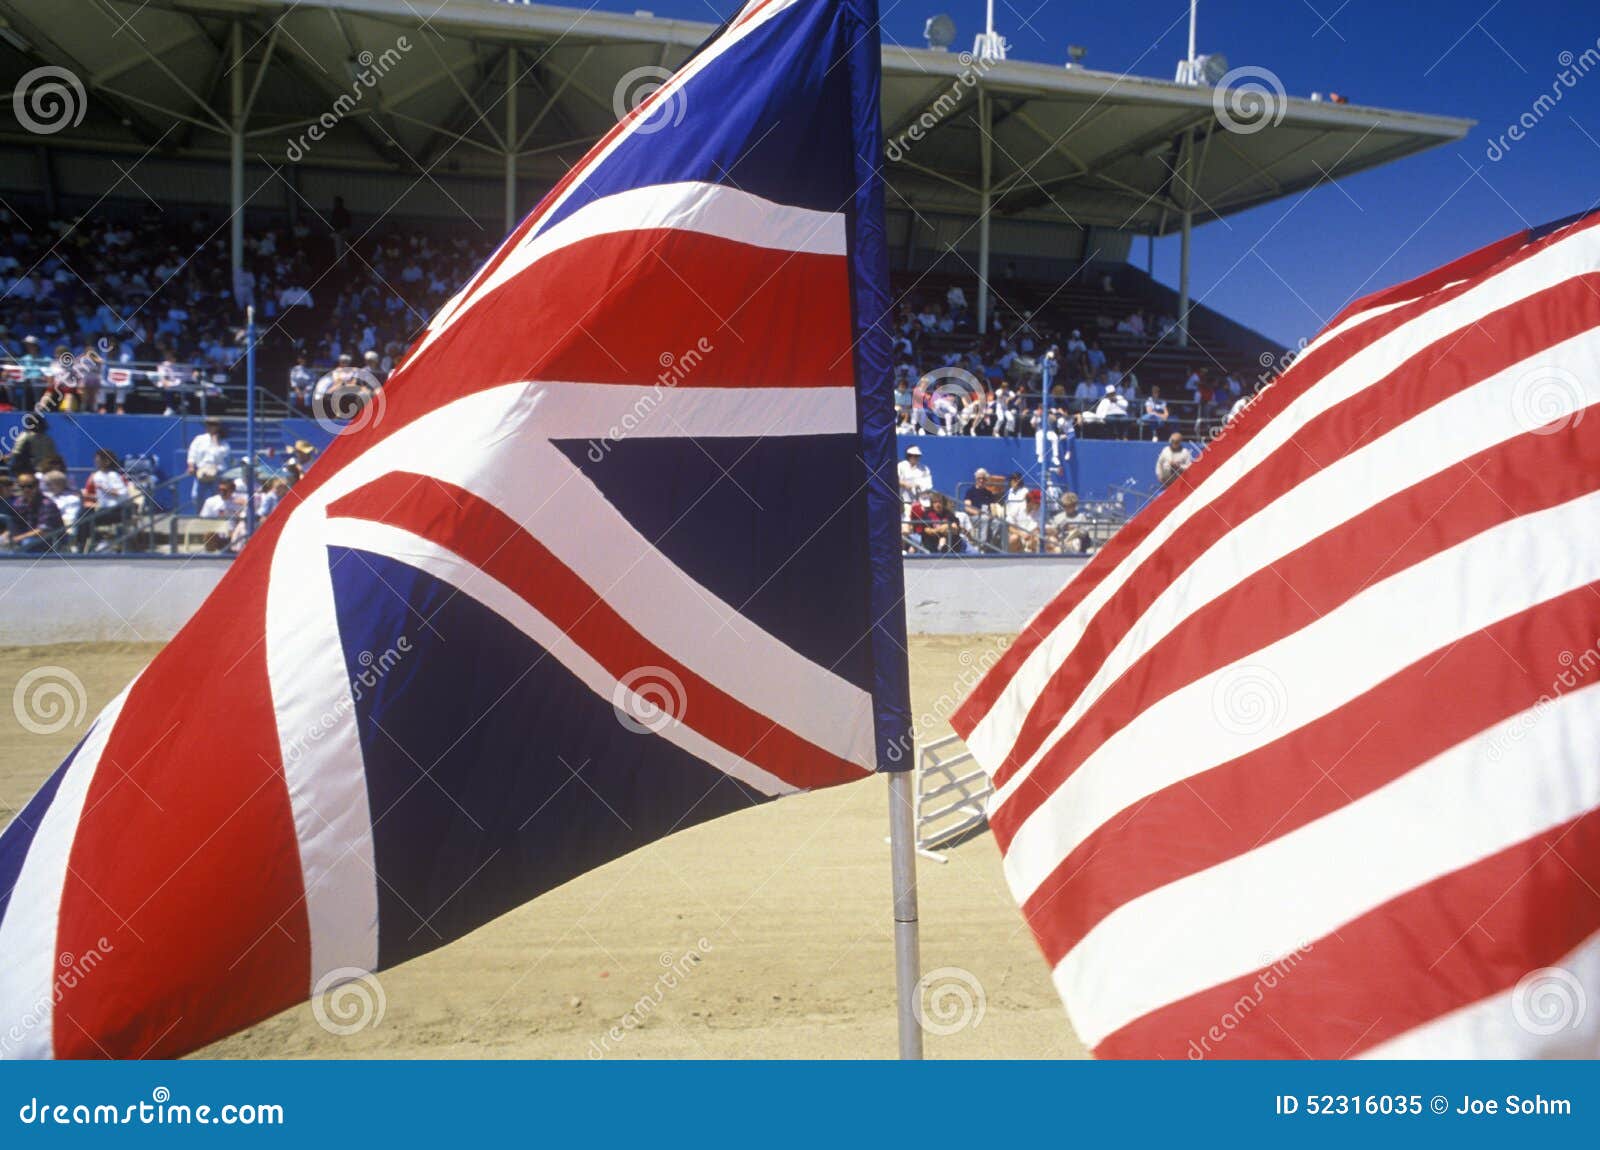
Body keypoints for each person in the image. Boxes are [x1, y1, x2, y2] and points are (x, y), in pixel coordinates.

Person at [3, 472, 63, 553]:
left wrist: (17, 539)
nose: (26, 489)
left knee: (27, 543)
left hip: (49, 540)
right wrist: (6, 537)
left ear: (37, 486)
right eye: (22, 486)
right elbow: (15, 525)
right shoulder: (18, 503)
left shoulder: (47, 504)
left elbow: (43, 531)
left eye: (30, 486)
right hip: (24, 537)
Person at [187, 418, 231, 510]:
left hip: (217, 472)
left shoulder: (224, 443)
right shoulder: (199, 439)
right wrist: (191, 466)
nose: (210, 427)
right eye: (208, 424)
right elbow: (192, 452)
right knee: (196, 496)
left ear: (218, 427)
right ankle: (200, 514)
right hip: (201, 471)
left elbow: (221, 456)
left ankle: (215, 516)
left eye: (213, 425)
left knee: (217, 496)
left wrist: (216, 442)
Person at [963, 468, 1004, 552]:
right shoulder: (970, 491)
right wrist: (979, 513)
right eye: (979, 478)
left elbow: (993, 507)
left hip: (987, 516)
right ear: (976, 479)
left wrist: (994, 514)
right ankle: (982, 545)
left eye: (983, 479)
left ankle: (990, 545)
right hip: (974, 517)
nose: (981, 480)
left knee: (998, 522)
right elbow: (967, 508)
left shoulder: (988, 493)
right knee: (984, 518)